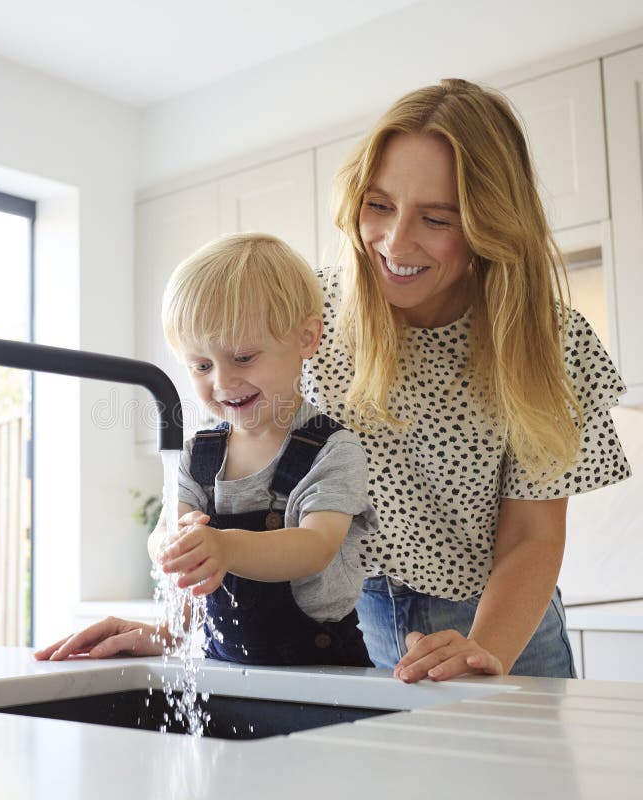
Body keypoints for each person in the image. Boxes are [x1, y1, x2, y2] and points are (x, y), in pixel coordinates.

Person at [301, 77, 631, 682]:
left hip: (507, 624)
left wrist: (486, 650)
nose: (395, 242)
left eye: (436, 218)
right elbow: (246, 482)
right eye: (379, 205)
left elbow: (533, 535)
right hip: (357, 618)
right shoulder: (310, 318)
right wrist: (184, 615)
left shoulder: (547, 340)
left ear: (488, 224)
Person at [35, 233, 379, 667]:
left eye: (243, 357)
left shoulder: (333, 449)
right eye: (201, 365)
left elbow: (315, 546)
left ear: (306, 338)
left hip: (325, 672)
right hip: (223, 666)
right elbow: (169, 530)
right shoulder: (200, 454)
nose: (222, 382)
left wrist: (226, 547)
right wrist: (167, 552)